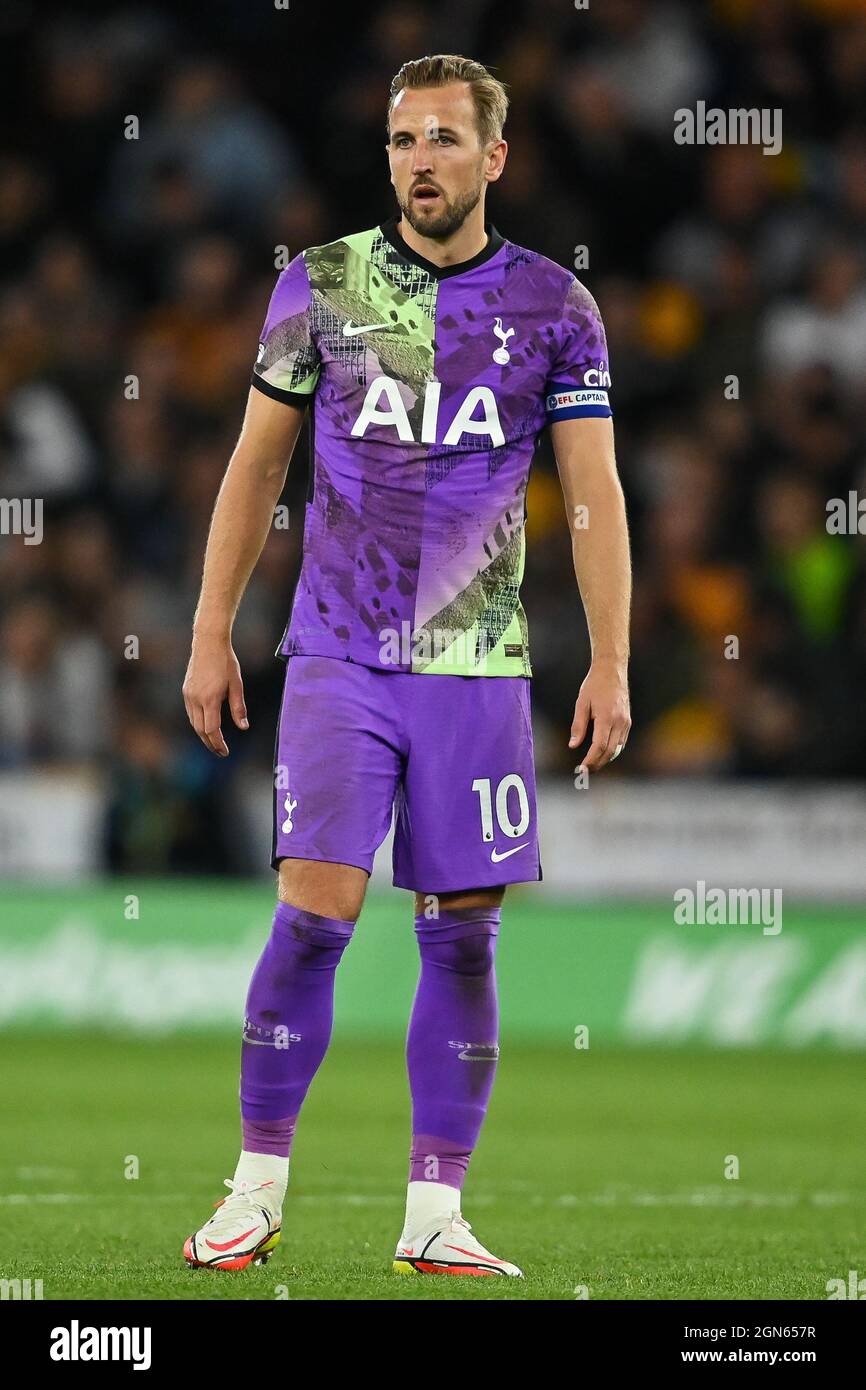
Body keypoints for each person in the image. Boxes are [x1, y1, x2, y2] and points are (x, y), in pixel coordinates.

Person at [181, 54, 631, 1278]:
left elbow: (590, 492)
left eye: (441, 138)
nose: (416, 160)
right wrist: (210, 627)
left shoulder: (553, 306)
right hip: (338, 653)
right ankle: (255, 1187)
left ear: (493, 157)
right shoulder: (319, 284)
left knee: (464, 936)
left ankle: (434, 1212)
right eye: (399, 139)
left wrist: (610, 659)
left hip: (479, 667)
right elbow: (254, 470)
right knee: (313, 915)